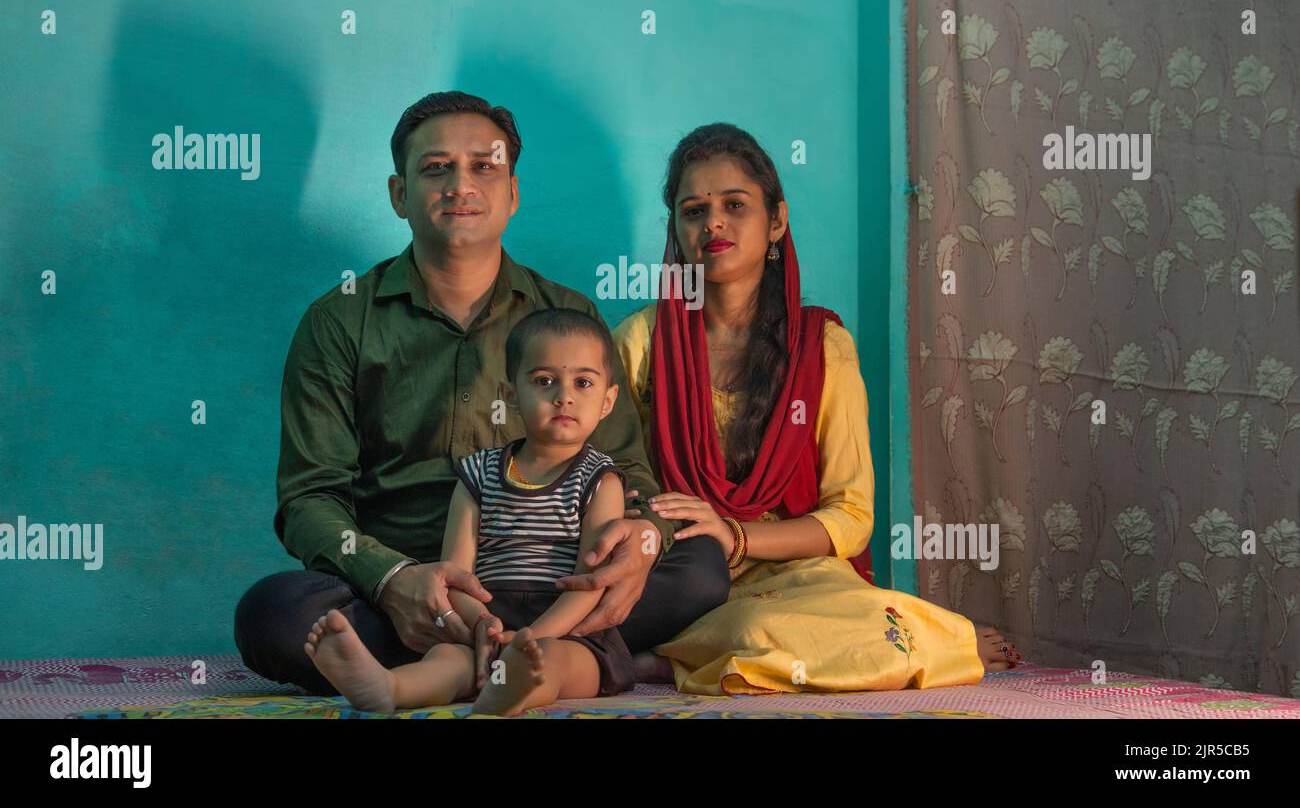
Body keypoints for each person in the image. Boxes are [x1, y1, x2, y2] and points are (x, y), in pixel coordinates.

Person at [235, 92, 730, 695]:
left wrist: (643, 539)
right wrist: (391, 578)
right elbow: (311, 498)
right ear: (398, 195)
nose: (460, 185)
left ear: (513, 193)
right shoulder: (339, 321)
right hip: (405, 582)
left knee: (700, 571)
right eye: (436, 168)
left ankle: (454, 666)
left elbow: (630, 475)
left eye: (484, 166)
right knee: (274, 614)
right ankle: (537, 659)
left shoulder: (567, 315)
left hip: (553, 576)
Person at [611, 123, 1022, 695]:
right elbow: (611, 480)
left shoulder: (821, 347)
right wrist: (694, 540)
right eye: (693, 211)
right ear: (676, 232)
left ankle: (673, 658)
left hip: (799, 576)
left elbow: (851, 517)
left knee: (848, 625)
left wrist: (738, 537)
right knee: (750, 625)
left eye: (735, 205)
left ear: (776, 221)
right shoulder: (640, 342)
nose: (713, 224)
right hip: (684, 570)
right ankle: (690, 649)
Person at [305, 309, 638, 715]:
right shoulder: (479, 473)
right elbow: (457, 573)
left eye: (582, 383)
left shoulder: (601, 480)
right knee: (448, 660)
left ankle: (511, 690)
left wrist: (530, 637)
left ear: (607, 401)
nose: (563, 396)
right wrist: (481, 623)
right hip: (488, 619)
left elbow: (591, 583)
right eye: (544, 381)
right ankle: (388, 686)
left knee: (554, 662)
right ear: (512, 395)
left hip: (565, 627)